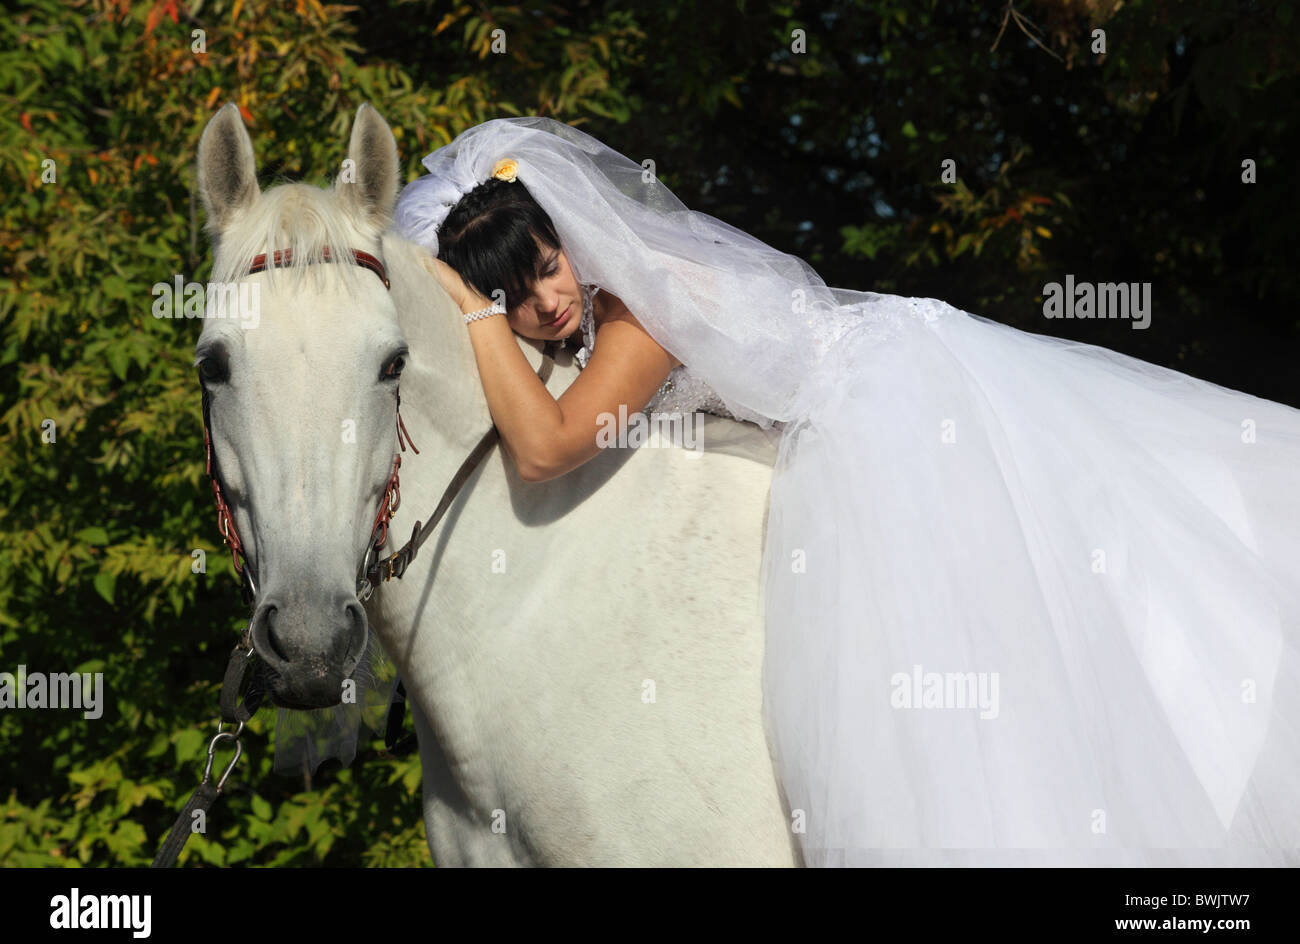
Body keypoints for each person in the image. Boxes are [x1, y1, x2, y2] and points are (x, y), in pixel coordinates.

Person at [394, 116, 1300, 866]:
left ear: (572, 242)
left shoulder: (637, 310)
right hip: (841, 414)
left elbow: (547, 447)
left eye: (545, 265)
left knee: (930, 657)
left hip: (879, 406)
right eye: (512, 295)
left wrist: (468, 310)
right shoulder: (588, 325)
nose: (544, 302)